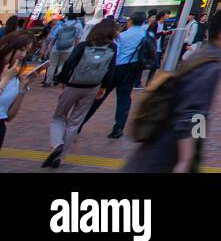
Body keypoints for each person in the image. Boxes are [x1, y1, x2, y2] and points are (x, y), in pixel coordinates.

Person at [124, 7, 221, 173]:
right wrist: (188, 157)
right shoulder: (211, 65)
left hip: (162, 138)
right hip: (168, 148)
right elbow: (194, 113)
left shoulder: (202, 55)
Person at [42, 18, 118, 168]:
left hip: (73, 85)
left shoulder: (84, 46)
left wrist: (62, 80)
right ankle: (61, 157)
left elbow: (69, 63)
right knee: (75, 122)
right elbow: (111, 69)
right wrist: (103, 87)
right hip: (92, 87)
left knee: (59, 116)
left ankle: (57, 144)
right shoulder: (112, 48)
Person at [80, 10, 150, 138]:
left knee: (99, 96)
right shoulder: (145, 34)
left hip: (117, 67)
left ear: (131, 21)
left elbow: (114, 53)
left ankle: (79, 124)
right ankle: (118, 128)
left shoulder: (123, 36)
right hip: (133, 69)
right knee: (124, 98)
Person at [0, 32, 40, 150]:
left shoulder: (15, 77)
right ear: (7, 47)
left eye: (27, 51)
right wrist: (5, 80)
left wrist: (22, 89)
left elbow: (9, 116)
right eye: (21, 49)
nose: (23, 55)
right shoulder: (8, 76)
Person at [42, 14, 82, 87]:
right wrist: (75, 49)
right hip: (69, 49)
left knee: (52, 65)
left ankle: (48, 81)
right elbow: (78, 39)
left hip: (56, 48)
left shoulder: (60, 24)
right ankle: (58, 77)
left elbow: (53, 37)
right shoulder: (78, 25)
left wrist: (49, 47)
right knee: (62, 64)